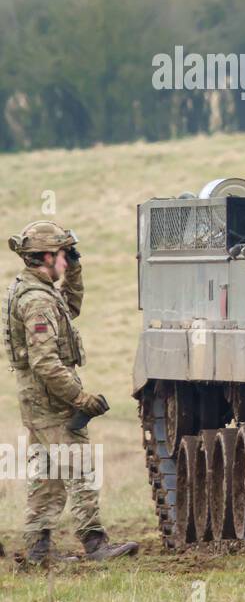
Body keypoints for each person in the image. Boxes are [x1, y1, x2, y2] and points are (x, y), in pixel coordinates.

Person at [5, 221, 138, 564]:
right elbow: (45, 363)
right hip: (51, 401)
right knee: (80, 469)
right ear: (47, 257)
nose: (66, 261)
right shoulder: (36, 301)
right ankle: (95, 544)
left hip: (38, 401)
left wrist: (75, 270)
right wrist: (80, 399)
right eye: (64, 255)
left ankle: (38, 550)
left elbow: (70, 310)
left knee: (47, 474)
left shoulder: (38, 292)